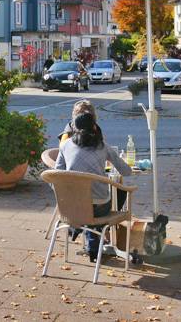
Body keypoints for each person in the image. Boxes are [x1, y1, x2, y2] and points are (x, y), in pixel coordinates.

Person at [54, 112, 132, 262]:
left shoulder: (65, 146)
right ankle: (97, 231)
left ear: (74, 128)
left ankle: (79, 227)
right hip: (99, 208)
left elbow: (57, 174)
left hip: (71, 206)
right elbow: (126, 171)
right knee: (121, 191)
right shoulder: (103, 147)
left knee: (89, 205)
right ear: (94, 127)